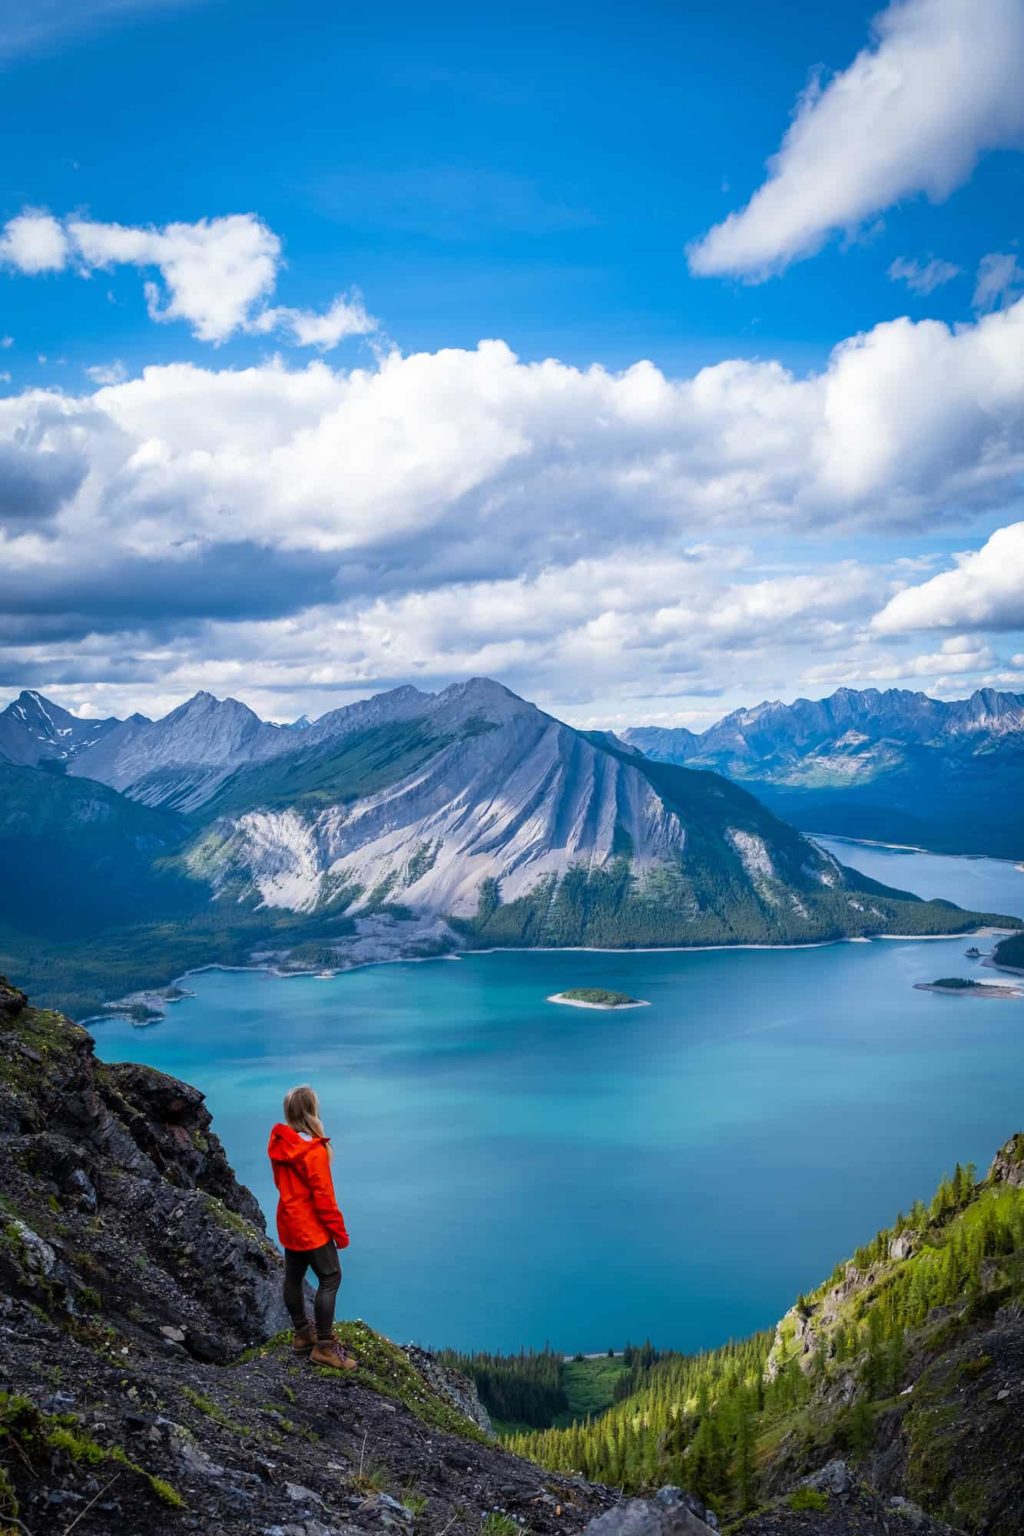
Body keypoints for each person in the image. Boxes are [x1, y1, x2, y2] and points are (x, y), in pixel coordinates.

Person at [268, 1084, 357, 1371]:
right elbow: (324, 1199)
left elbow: (280, 1183)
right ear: (312, 1111)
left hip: (289, 1221)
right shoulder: (314, 1151)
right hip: (311, 1227)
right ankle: (324, 1348)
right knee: (331, 1278)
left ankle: (301, 1335)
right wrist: (340, 1235)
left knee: (293, 1277)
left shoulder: (280, 1143)